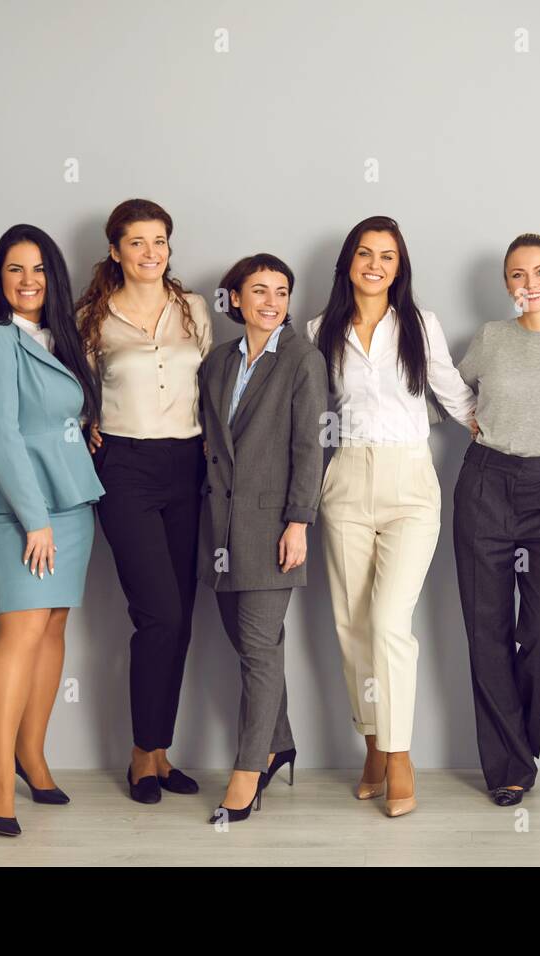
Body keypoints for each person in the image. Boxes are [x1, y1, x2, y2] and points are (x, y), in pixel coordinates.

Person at [308, 215, 476, 817]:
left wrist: (497, 427)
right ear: (348, 263)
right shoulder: (318, 330)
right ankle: (373, 743)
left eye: (387, 256)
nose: (374, 264)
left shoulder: (419, 325)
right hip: (346, 480)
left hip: (410, 483)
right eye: (364, 253)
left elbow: (451, 391)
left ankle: (400, 754)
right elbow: (305, 412)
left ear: (399, 267)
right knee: (351, 628)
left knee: (387, 622)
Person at [0, 224, 105, 836]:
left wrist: (80, 430)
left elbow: (52, 412)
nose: (29, 280)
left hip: (73, 500)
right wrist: (34, 519)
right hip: (22, 507)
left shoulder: (58, 338)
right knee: (19, 631)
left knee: (53, 624)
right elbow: (0, 435)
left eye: (39, 269)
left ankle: (31, 755)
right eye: (15, 269)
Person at [75, 199, 212, 804]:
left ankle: (161, 752)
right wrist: (86, 426)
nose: (151, 253)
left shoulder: (195, 310)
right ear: (115, 250)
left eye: (160, 242)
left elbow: (212, 385)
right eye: (137, 242)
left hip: (186, 464)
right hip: (124, 467)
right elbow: (73, 393)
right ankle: (140, 753)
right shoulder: (91, 317)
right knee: (158, 613)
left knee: (181, 616)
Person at [198, 254, 327, 824]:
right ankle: (280, 743)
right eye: (258, 290)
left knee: (256, 649)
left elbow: (309, 446)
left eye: (280, 291)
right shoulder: (219, 361)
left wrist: (299, 521)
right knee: (253, 644)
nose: (271, 301)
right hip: (220, 527)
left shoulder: (302, 359)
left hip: (274, 527)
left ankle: (247, 771)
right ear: (235, 299)